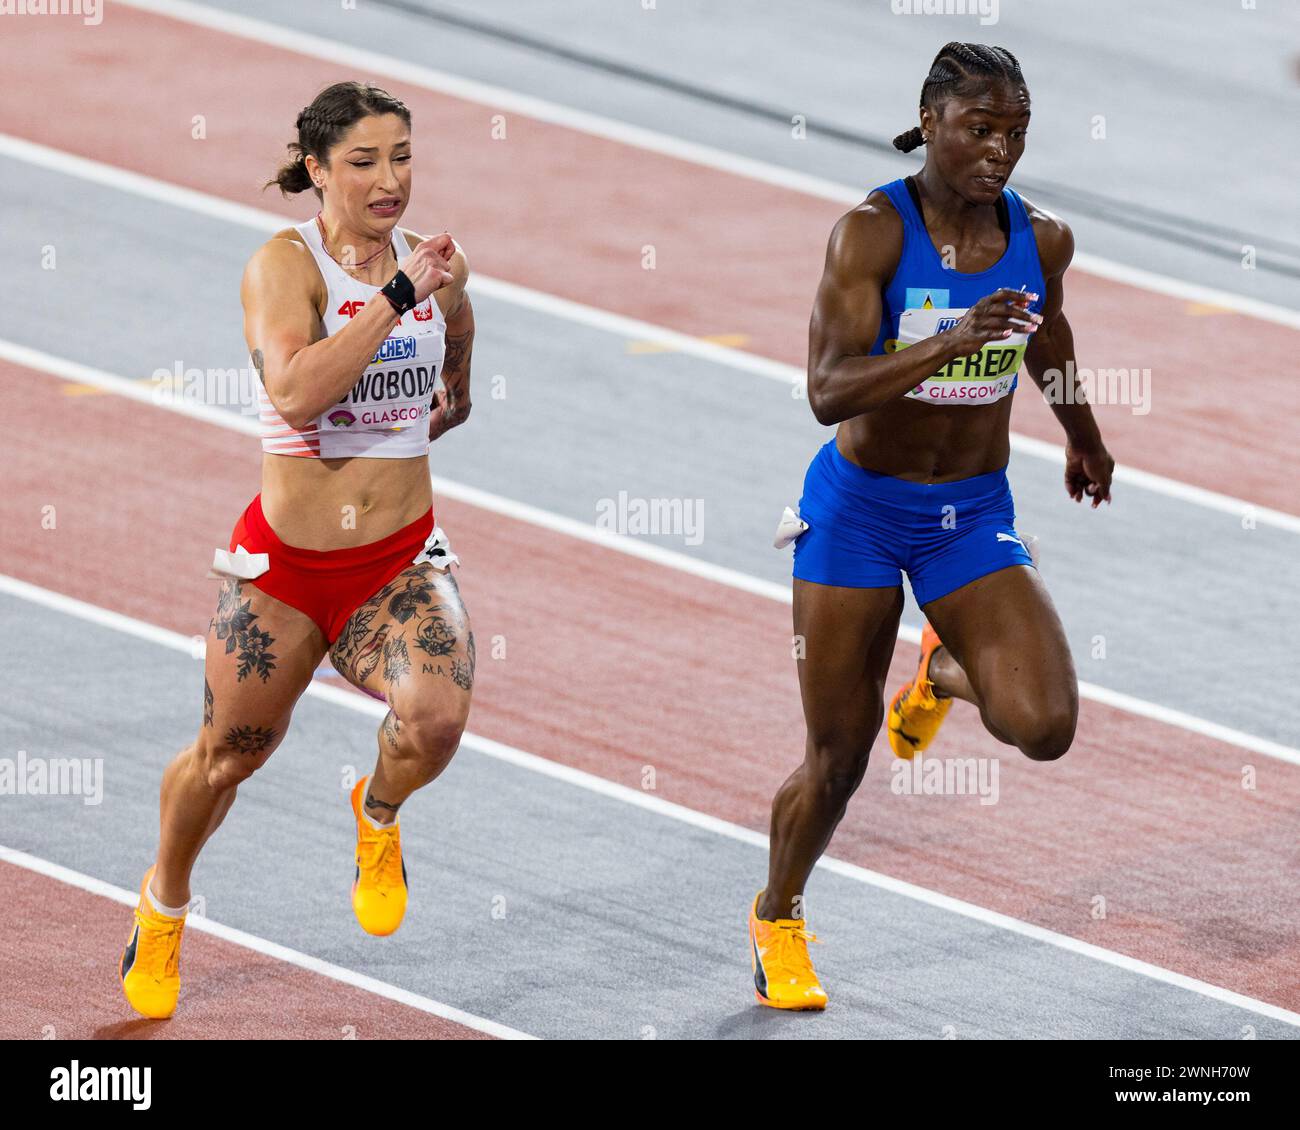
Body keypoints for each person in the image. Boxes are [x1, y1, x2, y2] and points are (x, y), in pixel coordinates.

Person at [750, 43, 1114, 1010]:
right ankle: (779, 916)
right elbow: (828, 392)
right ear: (933, 120)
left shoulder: (1044, 239)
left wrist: (1084, 436)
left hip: (970, 515)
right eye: (981, 129)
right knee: (840, 756)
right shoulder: (870, 236)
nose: (1001, 150)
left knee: (1044, 725)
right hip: (858, 518)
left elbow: (1052, 341)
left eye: (1017, 132)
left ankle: (948, 665)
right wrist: (953, 337)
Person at [120, 81, 476, 1019]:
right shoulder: (286, 267)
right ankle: (164, 906)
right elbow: (299, 396)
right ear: (317, 169)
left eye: (401, 156)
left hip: (394, 564)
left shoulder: (438, 263)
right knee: (228, 757)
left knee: (435, 724)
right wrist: (400, 295)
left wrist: (460, 383)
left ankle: (377, 812)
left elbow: (458, 319)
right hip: (284, 573)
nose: (389, 179)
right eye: (363, 162)